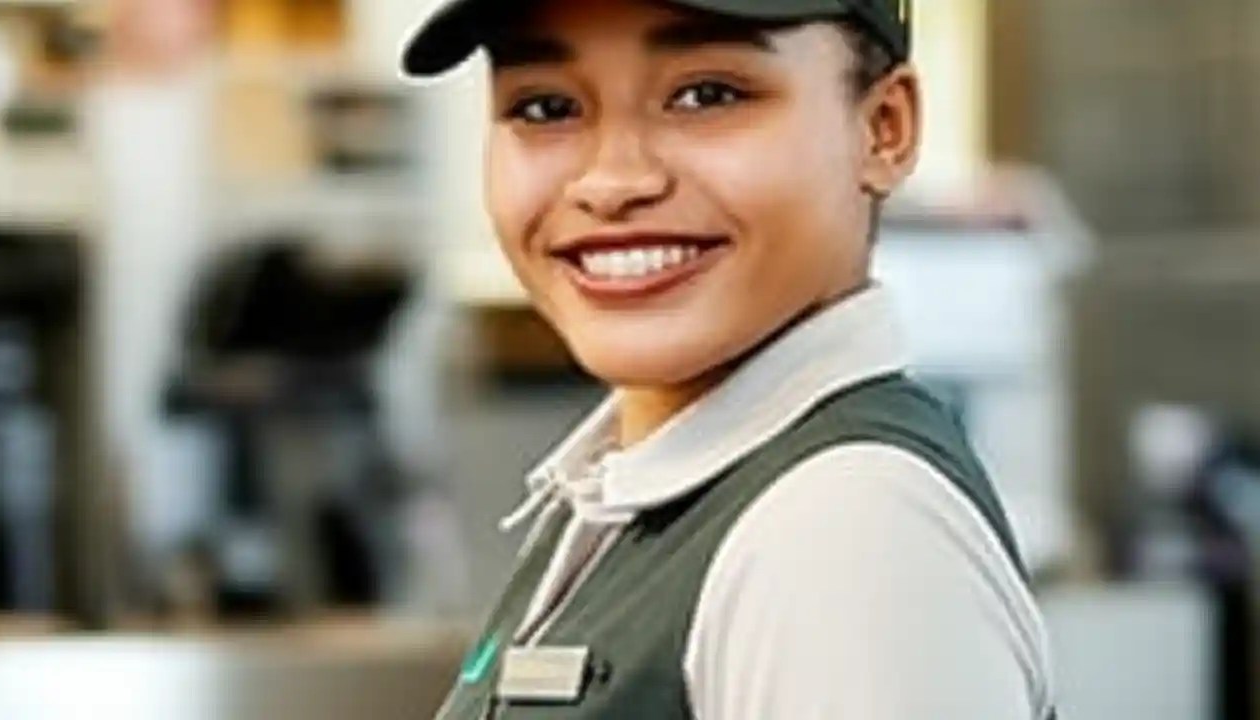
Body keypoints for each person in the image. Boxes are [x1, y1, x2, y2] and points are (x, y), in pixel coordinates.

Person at [403, 0, 1058, 717]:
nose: (613, 181)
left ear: (884, 129)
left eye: (706, 95)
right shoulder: (628, 495)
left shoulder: (842, 529)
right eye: (545, 107)